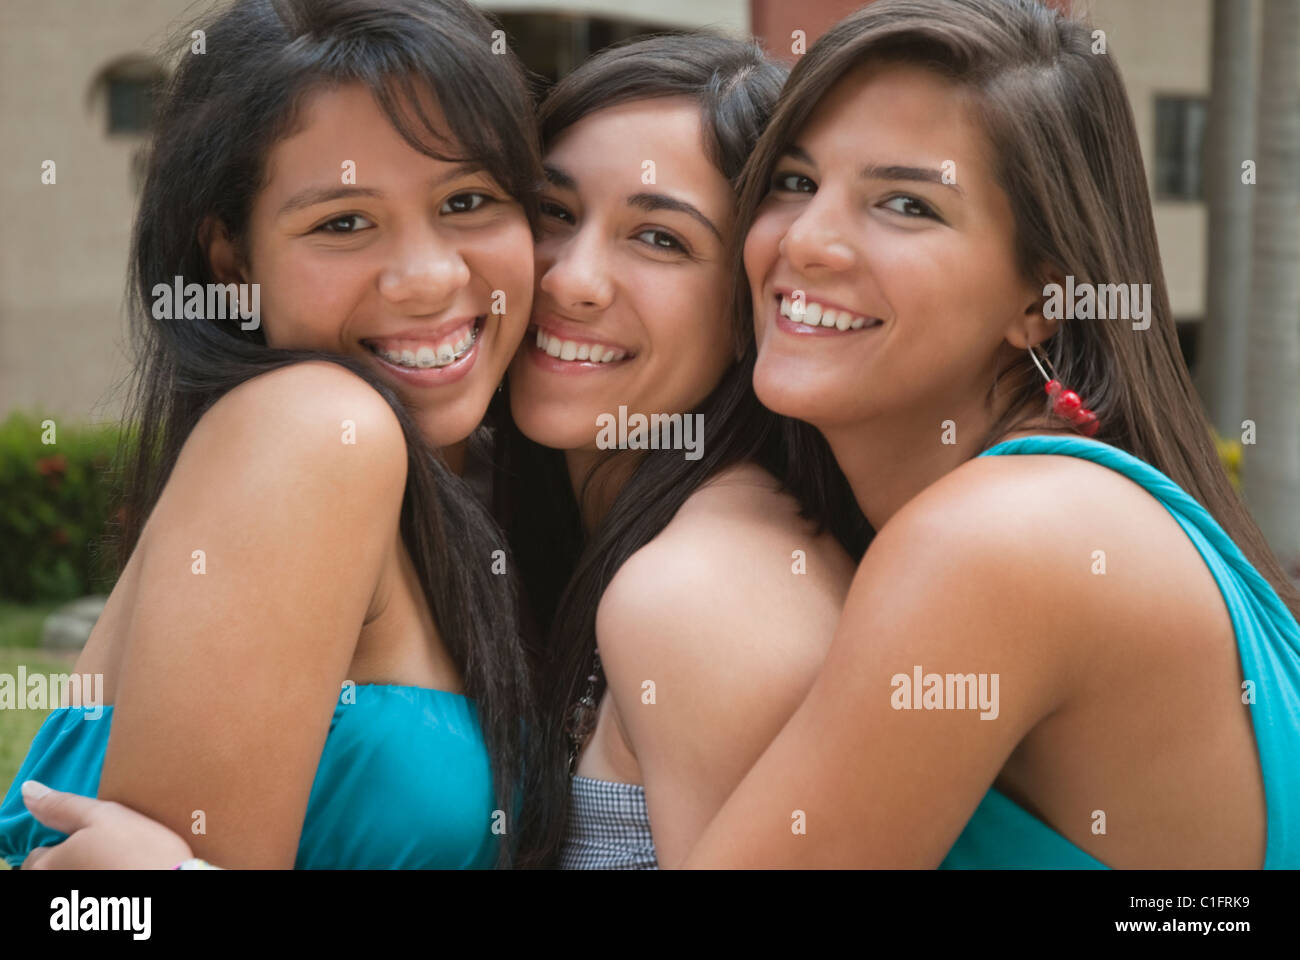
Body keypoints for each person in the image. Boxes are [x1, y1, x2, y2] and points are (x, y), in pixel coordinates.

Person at [679, 0, 1300, 868]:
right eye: (793, 182)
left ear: (1041, 301)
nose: (809, 242)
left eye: (905, 204)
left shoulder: (999, 543)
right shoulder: (1072, 509)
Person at [1, 0, 543, 870]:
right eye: (344, 222)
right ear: (231, 263)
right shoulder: (316, 431)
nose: (428, 279)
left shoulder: (479, 499)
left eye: (468, 200)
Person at [500, 35, 867, 868]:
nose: (570, 279)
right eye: (555, 213)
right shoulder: (591, 537)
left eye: (660, 239)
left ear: (756, 302)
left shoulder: (701, 592)